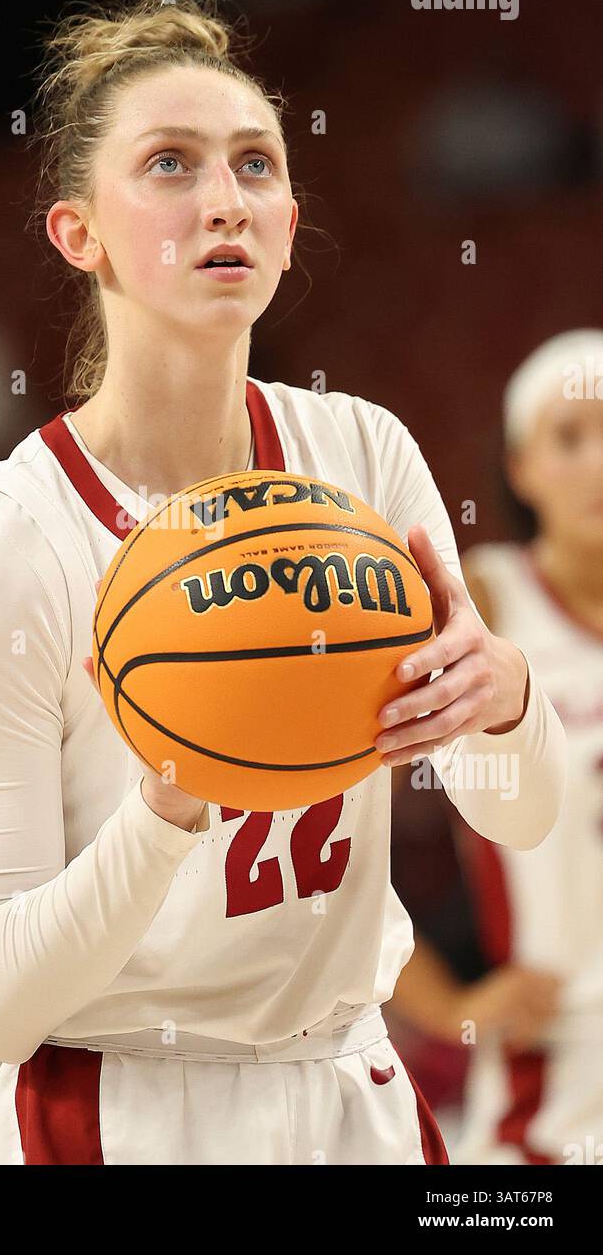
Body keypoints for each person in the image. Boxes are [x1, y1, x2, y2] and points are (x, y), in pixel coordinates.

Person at [0, 0, 568, 1166]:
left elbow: (514, 810)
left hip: (347, 1090)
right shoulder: (11, 540)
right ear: (79, 234)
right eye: (169, 165)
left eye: (253, 166)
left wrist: (502, 695)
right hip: (114, 1105)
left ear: (286, 218)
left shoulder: (362, 454)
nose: (222, 200)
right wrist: (166, 804)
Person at [390, 328, 603, 1165]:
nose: (598, 462)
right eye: (570, 438)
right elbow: (330, 810)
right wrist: (451, 1007)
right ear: (521, 469)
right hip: (544, 1111)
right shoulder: (480, 600)